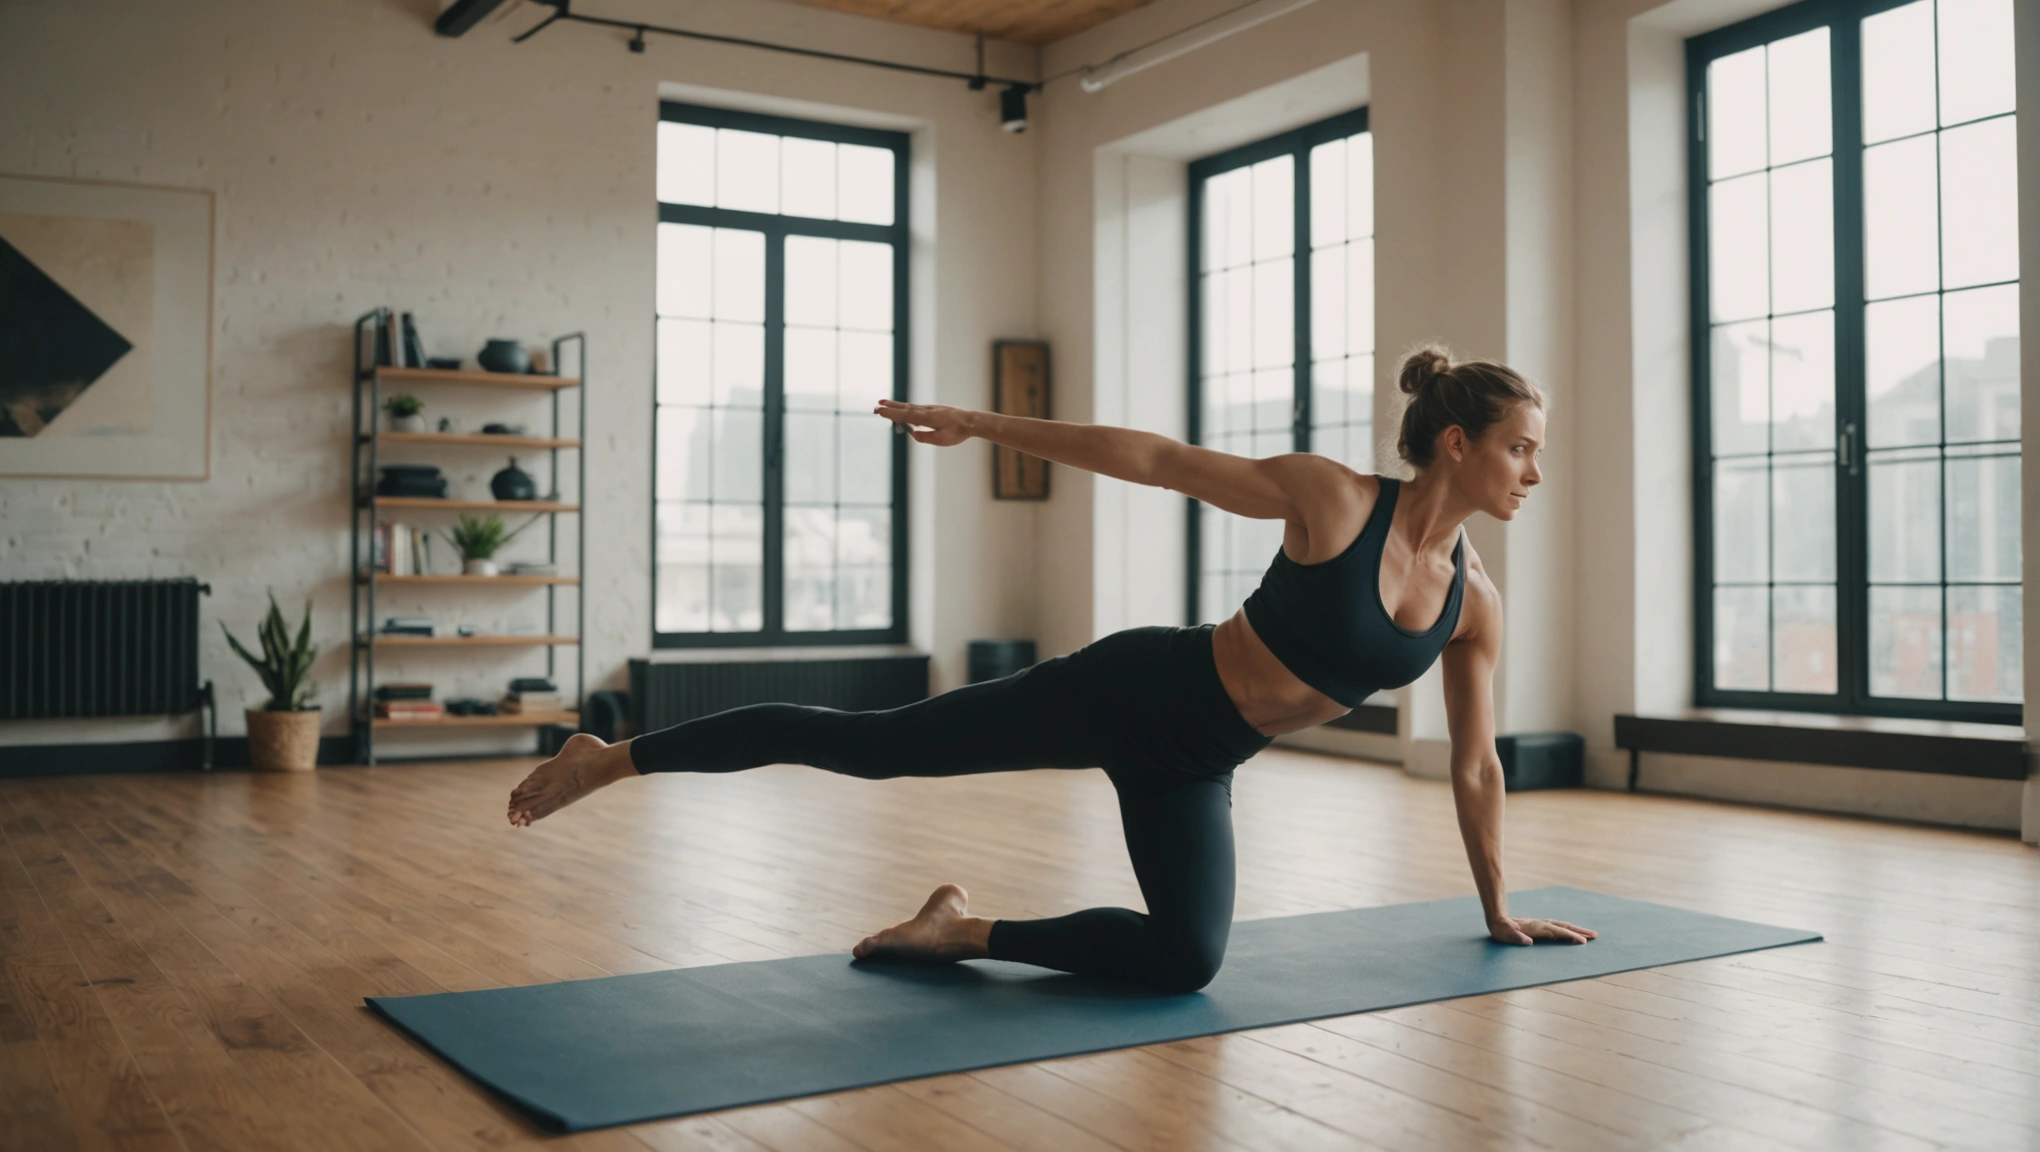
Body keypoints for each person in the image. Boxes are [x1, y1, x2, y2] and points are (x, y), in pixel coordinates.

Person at [507, 345, 1596, 993]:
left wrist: (1500, 906)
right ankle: (615, 757)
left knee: (1186, 960)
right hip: (1134, 689)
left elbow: (1477, 766)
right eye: (1520, 448)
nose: (1533, 472)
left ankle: (956, 933)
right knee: (877, 748)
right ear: (1455, 443)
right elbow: (1158, 460)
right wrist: (978, 423)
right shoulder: (1335, 500)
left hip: (1202, 760)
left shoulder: (1473, 608)